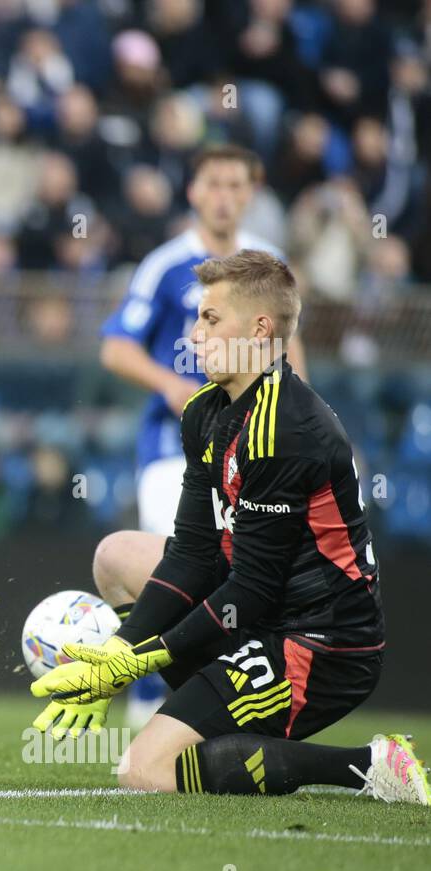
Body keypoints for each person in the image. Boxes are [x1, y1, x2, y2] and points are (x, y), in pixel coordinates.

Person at [32, 250, 427, 805]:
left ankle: (369, 764)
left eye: (210, 320)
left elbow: (251, 589)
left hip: (322, 641)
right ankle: (219, 708)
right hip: (262, 610)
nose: (193, 336)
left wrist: (147, 656)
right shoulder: (204, 413)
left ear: (260, 329)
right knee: (117, 555)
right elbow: (193, 555)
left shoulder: (287, 430)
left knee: (143, 771)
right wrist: (115, 655)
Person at [98, 144, 307, 726]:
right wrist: (169, 384)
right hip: (175, 448)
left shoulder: (269, 267)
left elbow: (292, 354)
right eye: (213, 183)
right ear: (192, 191)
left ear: (251, 193)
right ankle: (147, 696)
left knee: (233, 569)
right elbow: (115, 347)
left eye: (236, 185)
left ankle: (218, 695)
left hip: (252, 446)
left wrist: (306, 427)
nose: (224, 197)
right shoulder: (166, 264)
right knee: (175, 561)